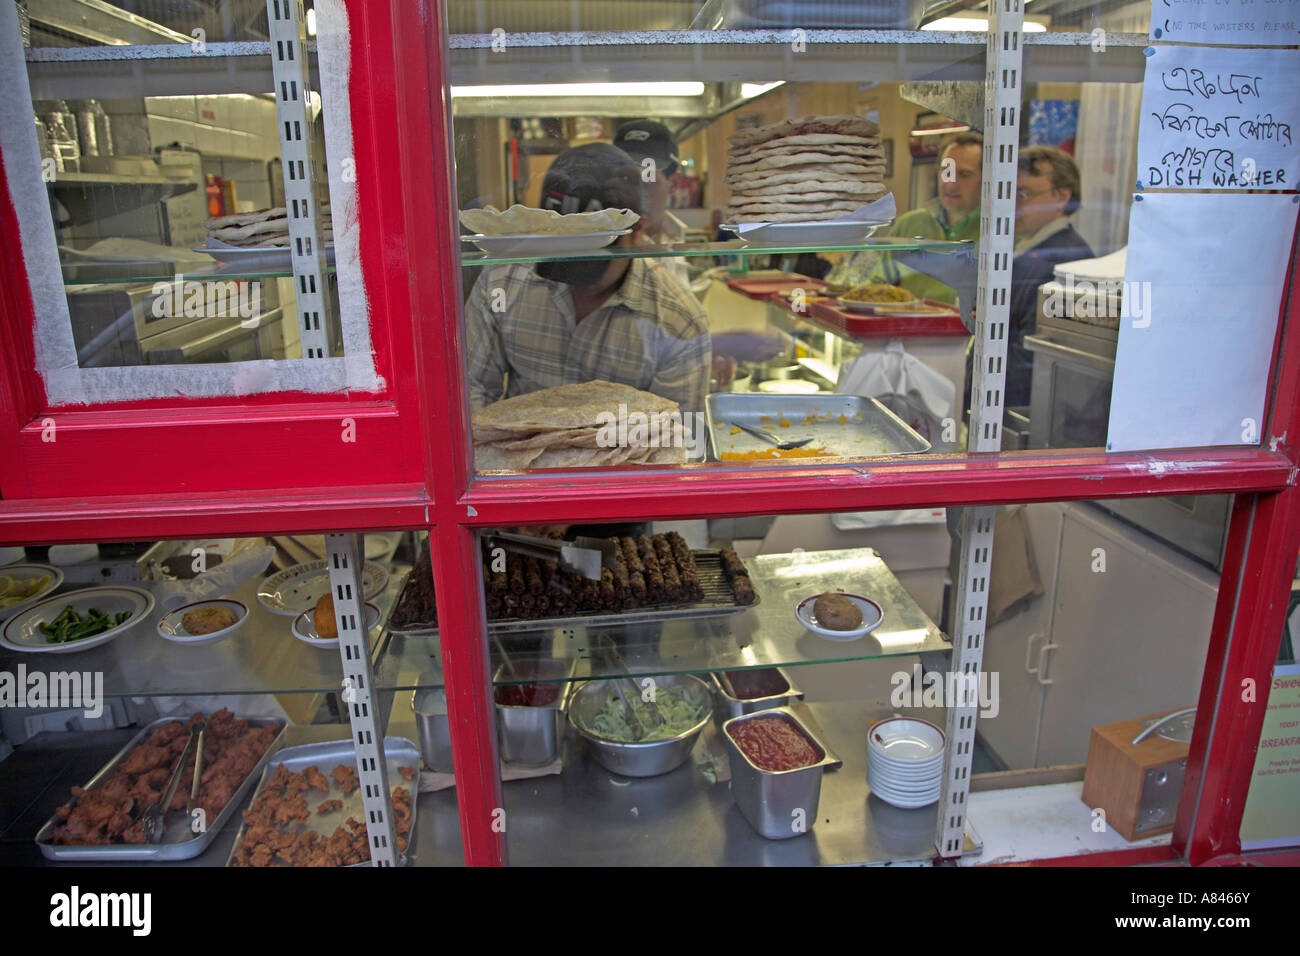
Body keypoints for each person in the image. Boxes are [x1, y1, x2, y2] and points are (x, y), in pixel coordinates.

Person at [464, 142, 711, 418]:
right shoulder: (502, 283)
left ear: (638, 231)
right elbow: (473, 391)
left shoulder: (678, 323)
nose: (576, 280)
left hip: (628, 459)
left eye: (594, 256)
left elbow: (679, 440)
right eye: (562, 250)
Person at [826, 131, 983, 304]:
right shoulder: (908, 224)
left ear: (986, 180)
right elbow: (878, 287)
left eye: (964, 175)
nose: (950, 183)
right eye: (946, 172)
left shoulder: (999, 234)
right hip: (905, 329)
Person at [1003, 146, 1095, 407]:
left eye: (1024, 194)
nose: (1013, 204)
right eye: (1010, 192)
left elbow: (1030, 362)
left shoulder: (1059, 260)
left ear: (1061, 196)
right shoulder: (1033, 251)